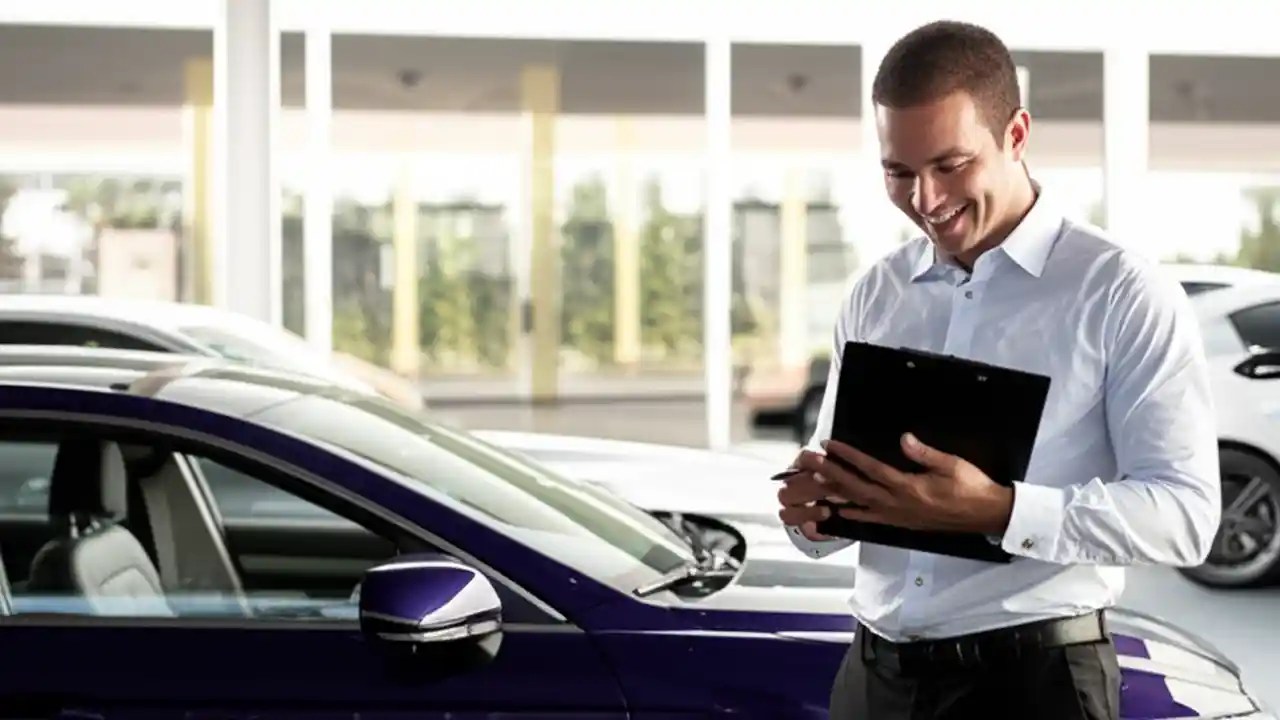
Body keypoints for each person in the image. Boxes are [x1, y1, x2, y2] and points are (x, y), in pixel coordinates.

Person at [775, 19, 1222, 720]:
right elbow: (834, 474)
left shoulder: (1121, 293)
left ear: (1016, 135)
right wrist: (812, 515)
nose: (925, 200)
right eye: (899, 172)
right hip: (872, 679)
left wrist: (1001, 510)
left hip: (1033, 685)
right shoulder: (875, 292)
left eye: (950, 165)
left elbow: (1185, 516)